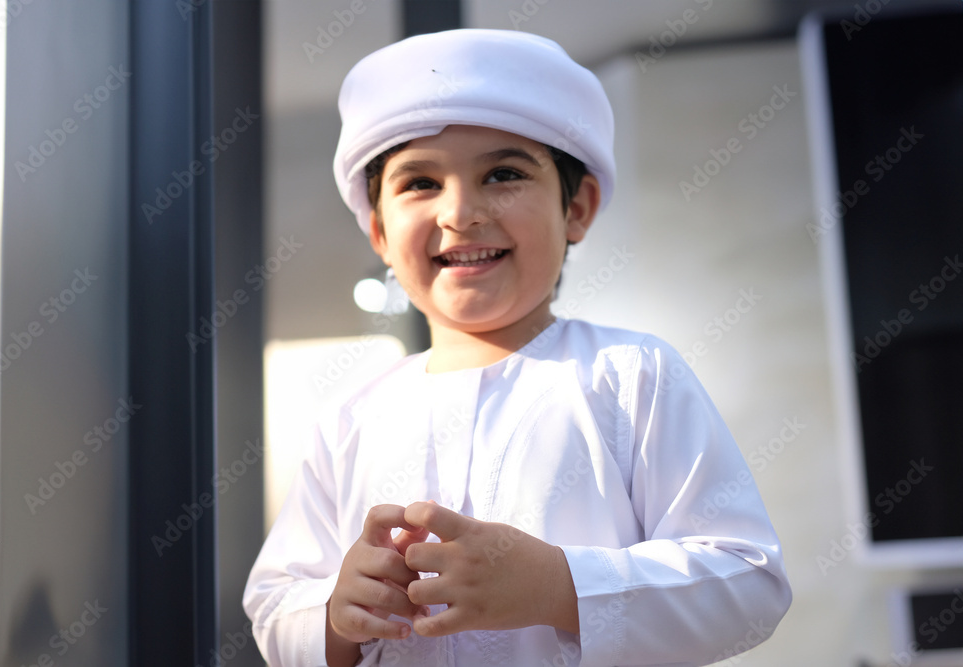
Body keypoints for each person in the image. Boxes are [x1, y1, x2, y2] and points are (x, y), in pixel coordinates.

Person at [244, 28, 792, 667]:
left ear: (577, 208)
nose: (460, 213)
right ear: (379, 232)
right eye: (419, 183)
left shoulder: (631, 375)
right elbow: (275, 603)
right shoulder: (351, 419)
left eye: (503, 173)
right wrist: (338, 616)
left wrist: (557, 586)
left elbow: (748, 581)